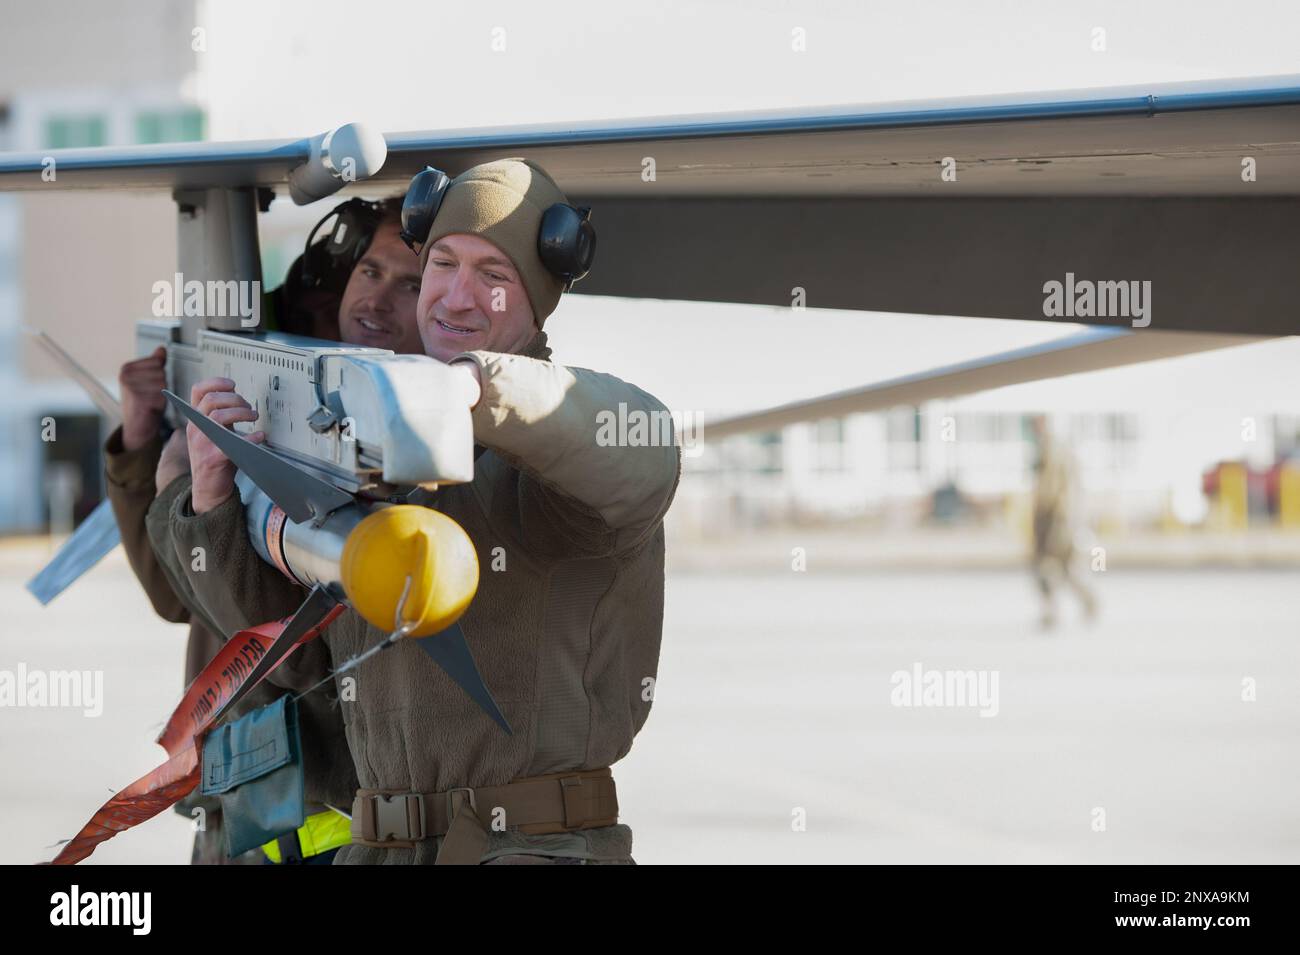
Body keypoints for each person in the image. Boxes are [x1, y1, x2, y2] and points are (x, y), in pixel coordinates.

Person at [151, 158, 681, 864]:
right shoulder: (378, 444)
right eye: (443, 264)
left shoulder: (559, 467)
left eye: (494, 277)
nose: (456, 297)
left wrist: (471, 388)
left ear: (539, 297)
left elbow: (647, 446)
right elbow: (299, 664)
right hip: (376, 845)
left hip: (527, 847)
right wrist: (211, 499)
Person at [104, 195, 421, 863]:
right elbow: (175, 595)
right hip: (237, 819)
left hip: (324, 836)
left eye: (413, 284)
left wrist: (199, 496)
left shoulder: (405, 456)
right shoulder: (288, 401)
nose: (378, 299)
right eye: (371, 271)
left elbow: (312, 658)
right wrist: (144, 454)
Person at [1028, 414, 1098, 630]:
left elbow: (1051, 489)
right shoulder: (1056, 447)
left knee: (1048, 566)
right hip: (1062, 517)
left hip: (1056, 518)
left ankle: (1052, 612)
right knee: (1064, 569)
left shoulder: (1052, 449)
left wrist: (1045, 519)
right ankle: (1087, 602)